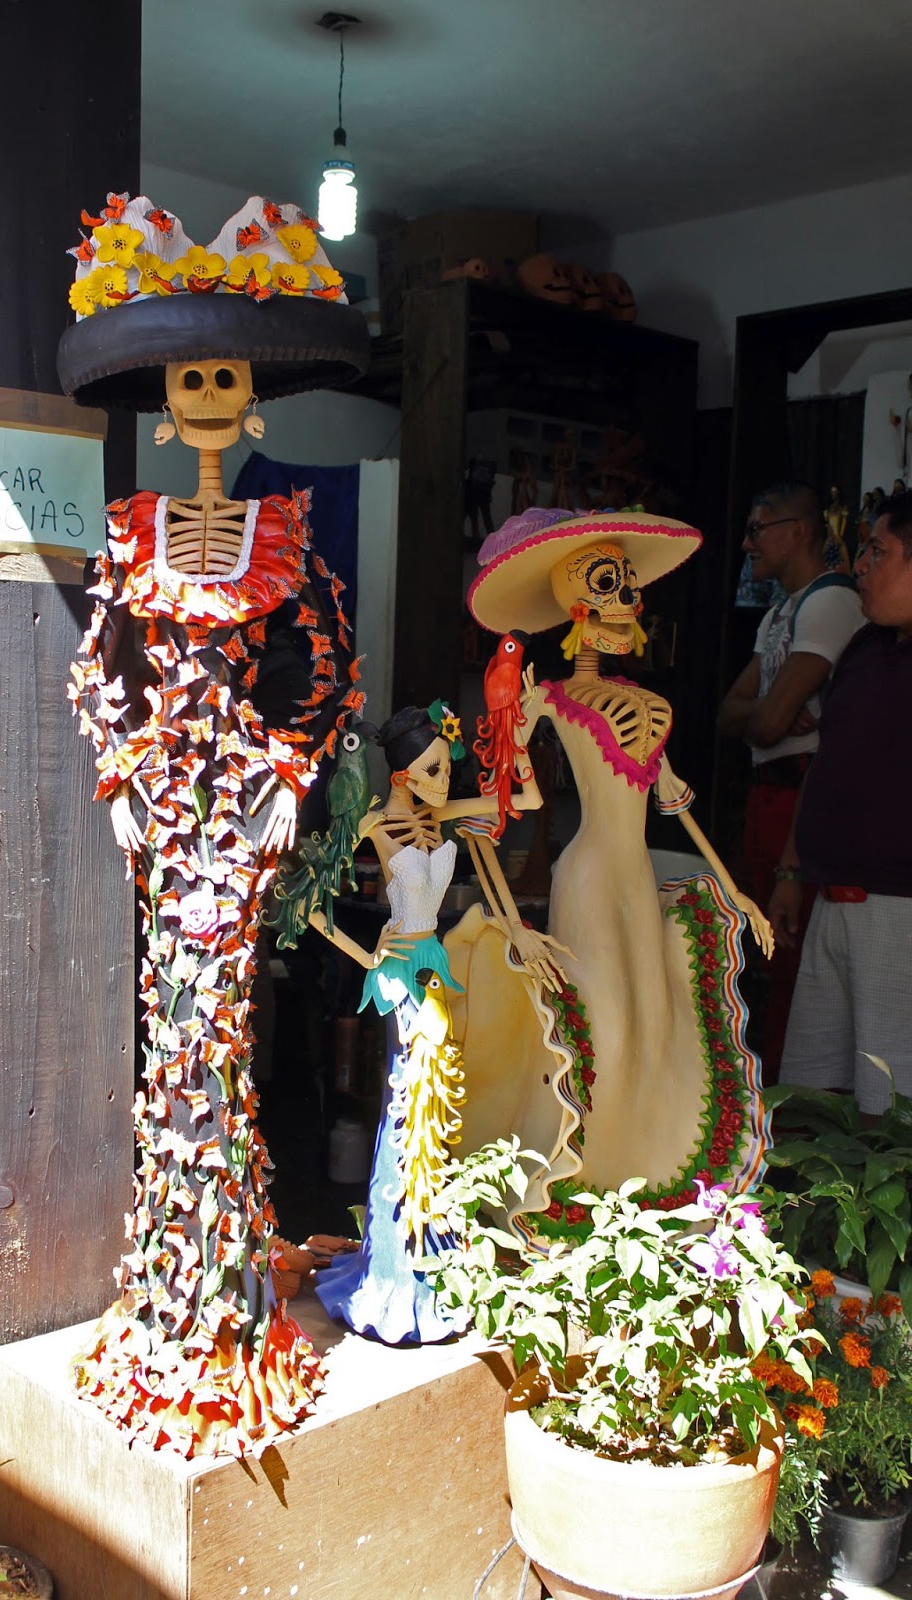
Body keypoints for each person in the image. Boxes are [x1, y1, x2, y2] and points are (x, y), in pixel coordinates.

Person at [61, 192, 370, 1457]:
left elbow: (327, 667)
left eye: (221, 373)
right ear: (167, 391)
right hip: (164, 826)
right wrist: (133, 775)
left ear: (247, 397)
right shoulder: (131, 533)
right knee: (171, 1027)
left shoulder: (284, 535)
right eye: (184, 372)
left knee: (220, 1039)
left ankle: (224, 1289)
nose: (200, 388)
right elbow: (100, 668)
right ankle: (172, 1291)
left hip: (241, 831)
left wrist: (284, 771)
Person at [450, 507, 772, 1239]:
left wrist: (737, 889)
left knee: (655, 1020)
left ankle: (634, 1188)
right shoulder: (555, 697)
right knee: (603, 1028)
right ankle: (572, 1185)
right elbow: (506, 795)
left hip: (636, 875)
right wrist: (507, 913)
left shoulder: (650, 704)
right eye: (607, 583)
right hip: (592, 875)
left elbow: (675, 801)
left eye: (628, 583)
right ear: (574, 602)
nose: (626, 600)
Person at [298, 703, 575, 1343]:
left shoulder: (440, 817)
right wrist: (369, 955)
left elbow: (526, 797)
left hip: (434, 965)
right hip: (400, 973)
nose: (443, 783)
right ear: (401, 775)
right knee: (410, 1104)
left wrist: (522, 732)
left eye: (446, 770)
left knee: (430, 1100)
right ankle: (400, 1273)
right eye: (431, 771)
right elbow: (307, 901)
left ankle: (422, 1259)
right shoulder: (375, 822)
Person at [770, 490, 912, 1112]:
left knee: (891, 1101)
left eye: (879, 553)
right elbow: (827, 762)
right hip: (830, 898)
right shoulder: (865, 646)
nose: (860, 564)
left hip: (898, 909)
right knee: (812, 1094)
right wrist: (792, 868)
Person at [717, 483, 862, 1080]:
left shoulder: (830, 601)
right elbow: (729, 714)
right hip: (764, 789)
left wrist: (768, 714)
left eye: (760, 527)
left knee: (792, 953)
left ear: (799, 531)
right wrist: (768, 714)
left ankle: (792, 1103)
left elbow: (772, 720)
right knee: (766, 955)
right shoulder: (780, 610)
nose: (748, 542)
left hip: (801, 794)